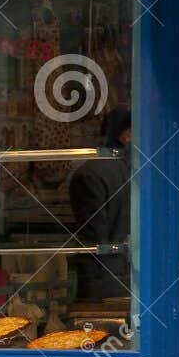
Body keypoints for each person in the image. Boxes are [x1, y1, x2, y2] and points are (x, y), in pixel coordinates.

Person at [68, 107, 132, 302]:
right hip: (120, 275)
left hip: (101, 279)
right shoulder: (131, 170)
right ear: (126, 135)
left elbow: (94, 236)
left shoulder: (90, 173)